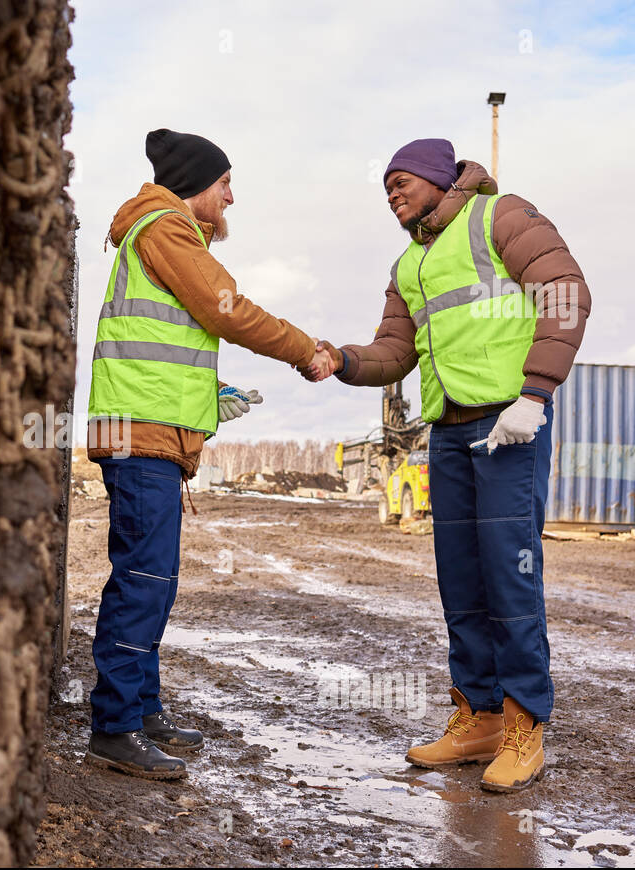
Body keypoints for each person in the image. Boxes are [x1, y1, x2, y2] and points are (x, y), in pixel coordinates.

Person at [306, 137, 590, 792]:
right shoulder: (409, 264)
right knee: (461, 579)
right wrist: (342, 359)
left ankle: (524, 724)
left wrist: (536, 393)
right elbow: (392, 351)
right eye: (385, 188)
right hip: (451, 434)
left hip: (509, 425)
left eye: (402, 181)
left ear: (440, 177)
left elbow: (567, 294)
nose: (393, 194)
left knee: (508, 577)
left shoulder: (502, 218)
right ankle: (478, 715)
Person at [85, 128, 321, 780]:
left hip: (154, 431)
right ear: (196, 186)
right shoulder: (166, 229)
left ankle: (142, 708)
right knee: (144, 578)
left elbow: (165, 345)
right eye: (225, 185)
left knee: (155, 581)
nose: (232, 197)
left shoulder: (162, 233)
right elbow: (227, 311)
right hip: (143, 437)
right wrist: (305, 348)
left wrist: (212, 395)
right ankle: (116, 725)